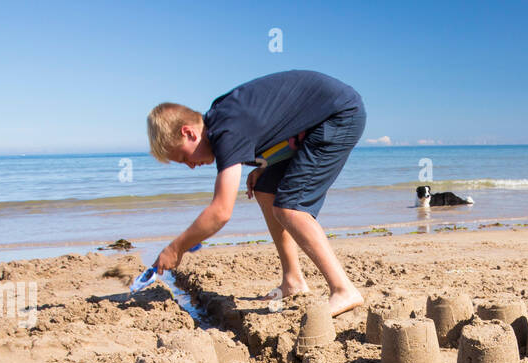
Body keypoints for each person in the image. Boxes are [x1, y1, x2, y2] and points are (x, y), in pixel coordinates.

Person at [146, 70, 367, 316]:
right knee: (264, 189)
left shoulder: (227, 130)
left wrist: (175, 249)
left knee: (290, 207)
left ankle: (343, 289)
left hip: (339, 115)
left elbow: (220, 211)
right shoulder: (221, 118)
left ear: (189, 133)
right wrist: (266, 164)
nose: (189, 165)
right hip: (315, 121)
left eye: (184, 157)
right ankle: (293, 280)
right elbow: (277, 123)